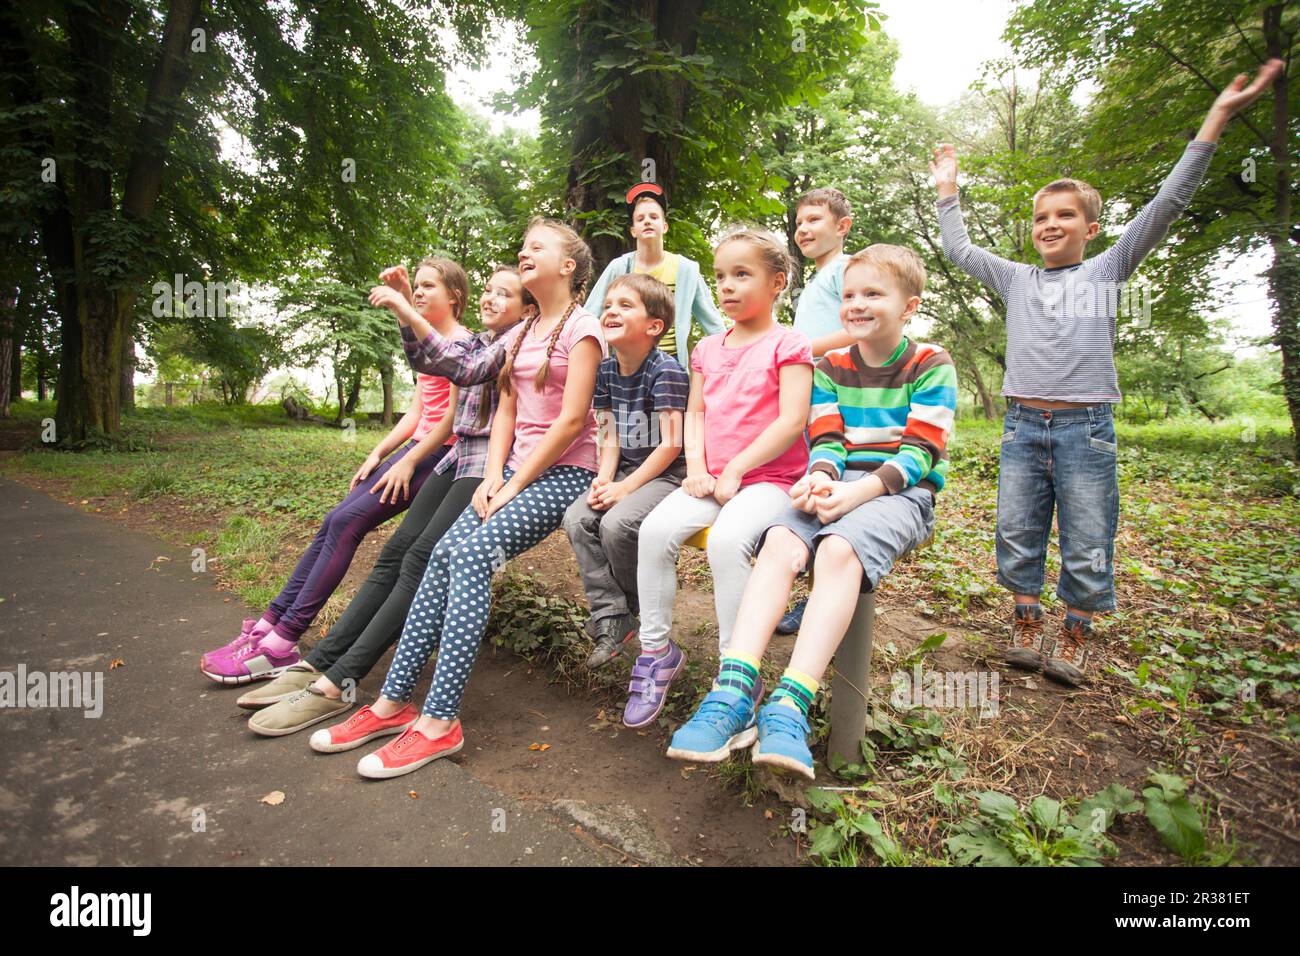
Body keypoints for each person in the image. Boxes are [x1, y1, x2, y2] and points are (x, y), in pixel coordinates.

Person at [929, 58, 1282, 687]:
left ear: (1091, 230)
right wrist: (948, 189)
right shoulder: (1016, 279)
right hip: (1020, 426)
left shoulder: (1108, 270)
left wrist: (1217, 116)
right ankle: (1026, 619)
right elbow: (956, 250)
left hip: (1085, 428)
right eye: (1041, 218)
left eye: (1064, 216)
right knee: (1016, 530)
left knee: (1089, 532)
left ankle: (1077, 631)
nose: (1050, 225)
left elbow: (1167, 204)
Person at [666, 244, 955, 781]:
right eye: (849, 295)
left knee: (839, 550)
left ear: (909, 305)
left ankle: (790, 703)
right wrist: (821, 476)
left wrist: (858, 492)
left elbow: (922, 451)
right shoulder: (831, 366)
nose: (857, 304)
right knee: (780, 543)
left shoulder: (930, 363)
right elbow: (826, 438)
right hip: (835, 483)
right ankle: (732, 693)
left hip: (899, 493)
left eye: (874, 293)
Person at [347, 218, 606, 779]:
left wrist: (512, 483)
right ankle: (393, 704)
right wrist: (494, 474)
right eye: (524, 244)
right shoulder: (522, 331)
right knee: (440, 554)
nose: (523, 250)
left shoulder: (584, 329)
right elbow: (463, 372)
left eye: (537, 246)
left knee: (468, 556)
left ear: (567, 266)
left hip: (565, 474)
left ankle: (440, 724)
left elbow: (570, 423)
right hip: (512, 470)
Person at [240, 266, 536, 742]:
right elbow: (433, 362)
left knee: (418, 559)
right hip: (459, 457)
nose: (491, 299)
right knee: (394, 554)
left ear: (528, 307)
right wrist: (405, 312)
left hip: (488, 463)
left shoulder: (521, 339)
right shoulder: (485, 338)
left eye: (506, 294)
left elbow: (463, 369)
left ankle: (341, 680)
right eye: (489, 290)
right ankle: (322, 660)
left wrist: (403, 308)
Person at [198, 258, 471, 685]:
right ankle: (271, 625)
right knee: (332, 521)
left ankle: (283, 642)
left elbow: (453, 420)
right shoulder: (425, 345)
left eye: (428, 286)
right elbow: (419, 410)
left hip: (440, 459)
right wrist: (379, 452)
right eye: (415, 286)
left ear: (454, 295)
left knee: (346, 524)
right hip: (417, 449)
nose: (419, 292)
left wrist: (409, 462)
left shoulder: (459, 342)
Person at [623, 228, 813, 729]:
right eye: (721, 276)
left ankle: (738, 673)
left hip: (770, 480)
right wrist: (700, 467)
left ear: (777, 283)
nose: (726, 286)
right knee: (654, 531)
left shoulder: (788, 343)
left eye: (741, 275)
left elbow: (792, 420)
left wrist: (736, 469)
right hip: (713, 478)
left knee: (727, 542)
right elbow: (697, 412)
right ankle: (656, 651)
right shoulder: (708, 347)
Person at [562, 274, 689, 669]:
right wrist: (605, 477)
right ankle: (612, 615)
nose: (611, 310)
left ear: (654, 326)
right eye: (609, 304)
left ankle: (633, 602)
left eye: (625, 305)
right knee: (577, 518)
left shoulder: (665, 370)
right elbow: (609, 432)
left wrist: (625, 489)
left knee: (617, 525)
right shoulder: (605, 370)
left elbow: (673, 443)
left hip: (668, 475)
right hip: (626, 471)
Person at [777, 186, 857, 636]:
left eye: (813, 220)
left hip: (837, 396)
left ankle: (823, 598)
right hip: (815, 398)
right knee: (814, 487)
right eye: (798, 222)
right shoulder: (818, 278)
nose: (802, 229)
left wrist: (795, 348)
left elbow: (856, 329)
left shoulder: (843, 269)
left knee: (829, 490)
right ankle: (813, 592)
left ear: (842, 227)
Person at [584, 182, 726, 367]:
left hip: (671, 364)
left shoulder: (686, 269)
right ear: (633, 231)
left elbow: (712, 322)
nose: (648, 221)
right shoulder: (619, 267)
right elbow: (590, 316)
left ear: (665, 226)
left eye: (654, 217)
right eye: (641, 218)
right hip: (627, 363)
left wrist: (731, 357)